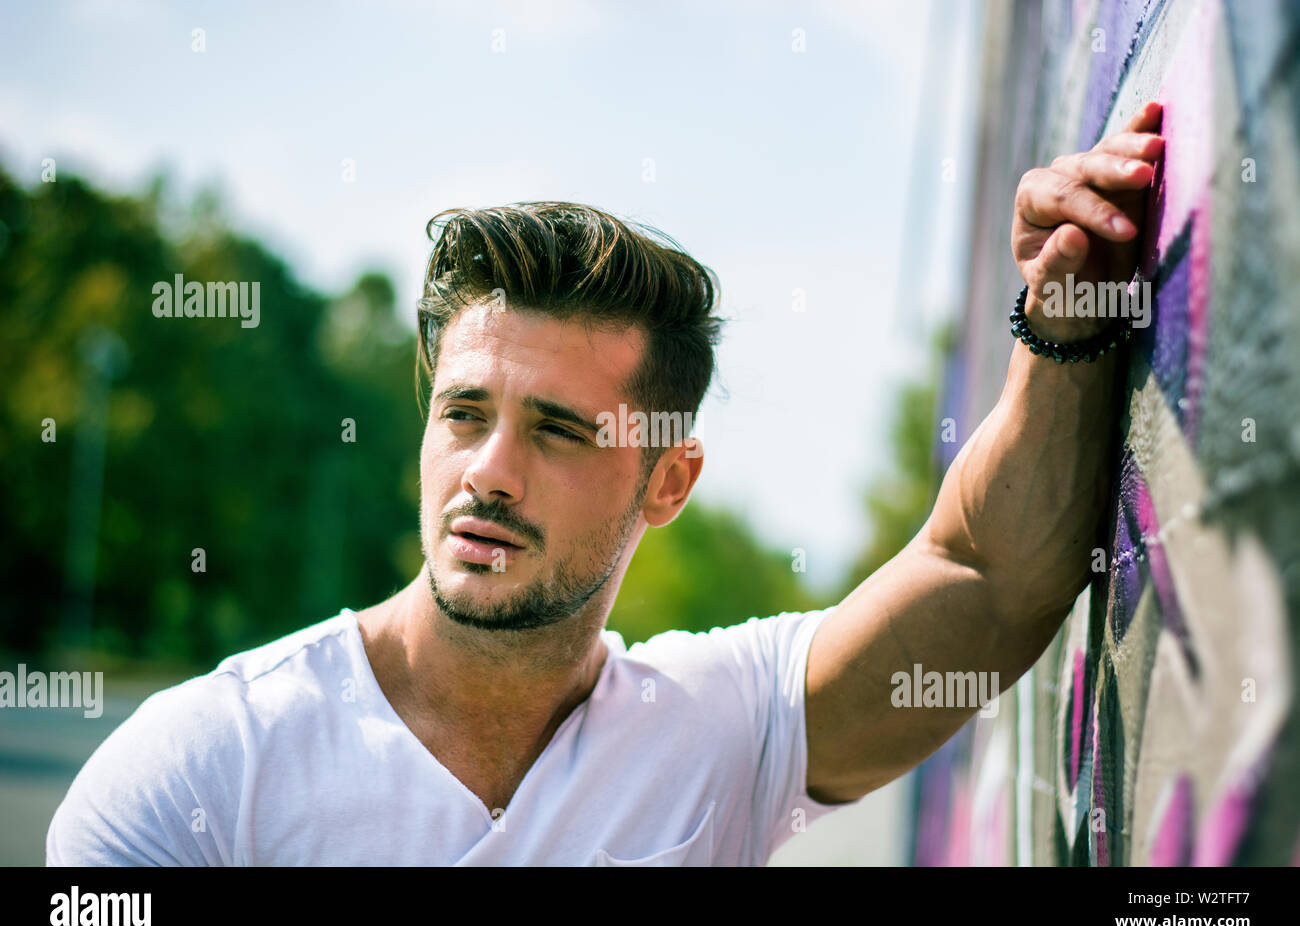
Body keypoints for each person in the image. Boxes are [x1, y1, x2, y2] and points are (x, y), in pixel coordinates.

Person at [46, 104, 1166, 867]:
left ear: (667, 478)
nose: (489, 470)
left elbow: (988, 576)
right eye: (465, 413)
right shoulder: (196, 770)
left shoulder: (718, 731)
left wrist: (1063, 319)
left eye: (559, 429)